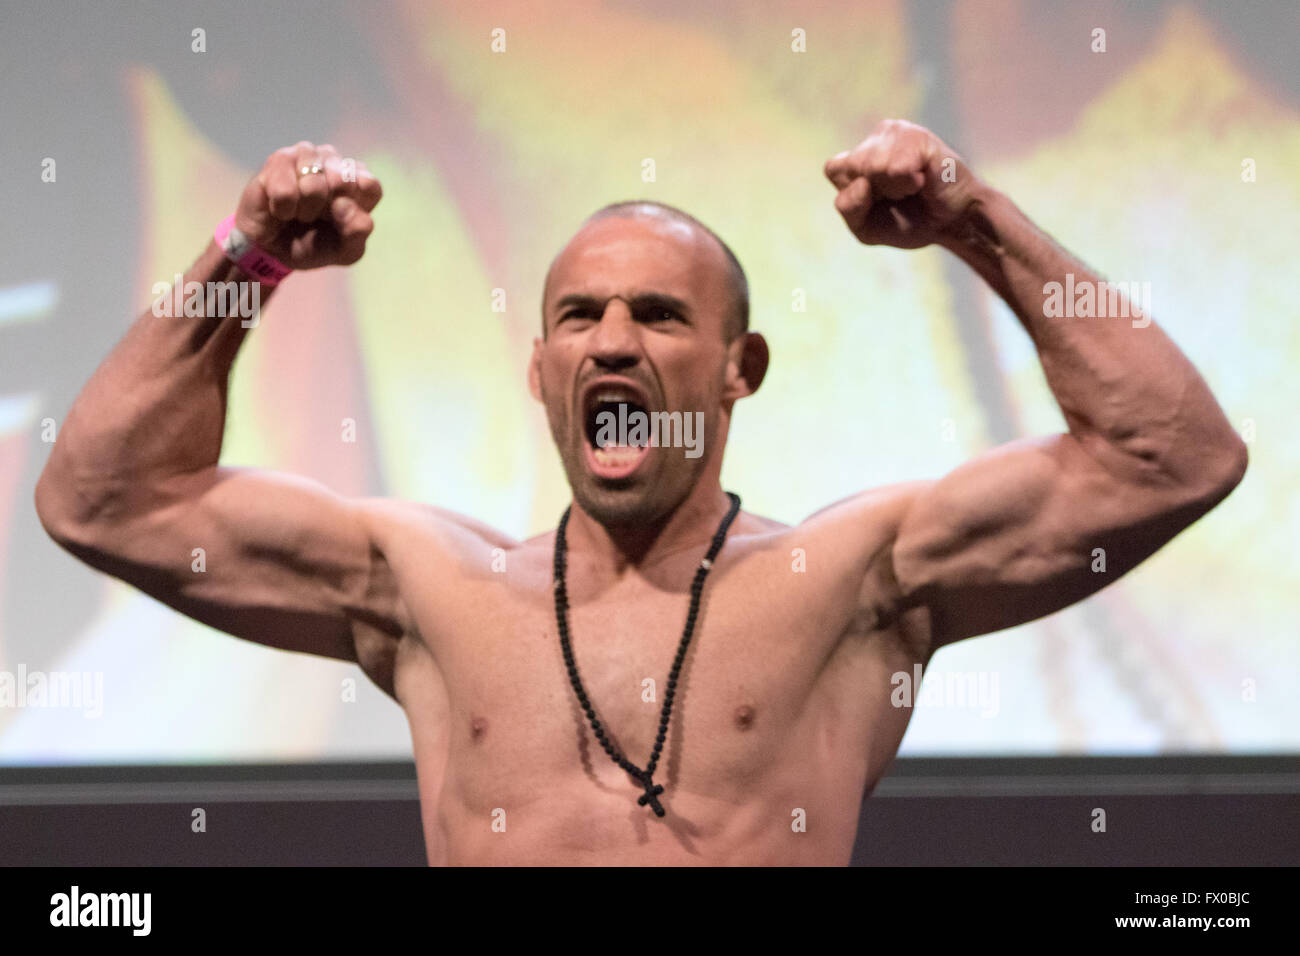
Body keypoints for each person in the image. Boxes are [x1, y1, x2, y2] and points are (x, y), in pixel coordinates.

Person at [35, 121, 1246, 865]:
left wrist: (976, 221)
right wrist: (241, 256)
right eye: (579, 316)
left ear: (739, 371)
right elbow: (105, 496)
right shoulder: (424, 590)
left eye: (659, 314)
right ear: (541, 369)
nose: (612, 340)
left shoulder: (853, 581)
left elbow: (1171, 455)